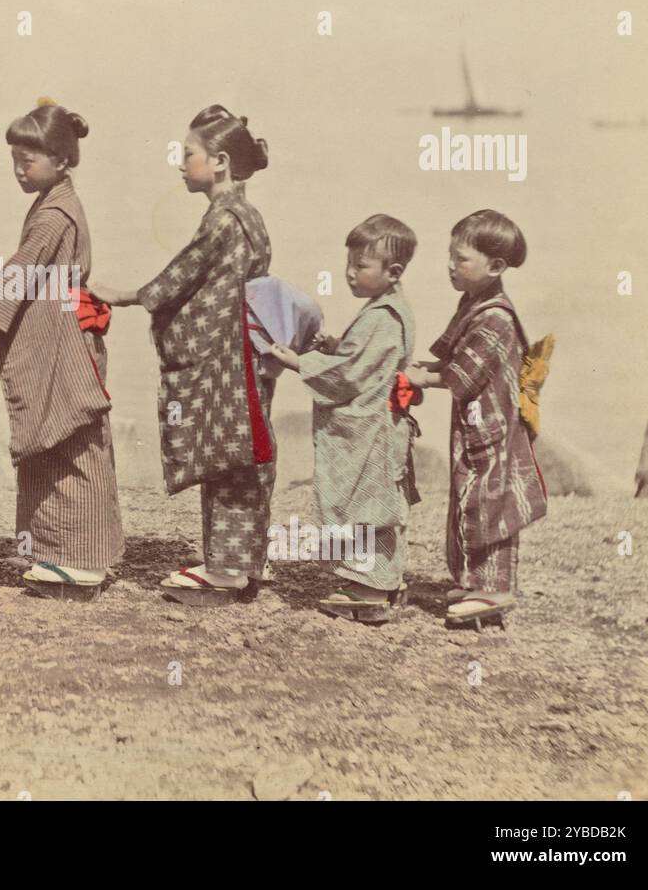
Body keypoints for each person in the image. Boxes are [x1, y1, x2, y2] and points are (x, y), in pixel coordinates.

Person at [91, 104, 274, 605]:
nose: (179, 162)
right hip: (244, 352)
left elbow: (183, 275)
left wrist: (127, 295)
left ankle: (226, 572)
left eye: (187, 154)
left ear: (218, 161)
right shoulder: (246, 215)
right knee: (241, 453)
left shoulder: (225, 217)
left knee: (228, 455)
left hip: (226, 355)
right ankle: (239, 565)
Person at [0, 99, 123, 600]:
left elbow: (22, 271)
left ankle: (79, 562)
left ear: (62, 160)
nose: (20, 169)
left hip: (63, 338)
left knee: (66, 435)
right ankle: (71, 554)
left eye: (29, 160)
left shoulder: (56, 214)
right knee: (66, 441)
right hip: (62, 330)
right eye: (15, 159)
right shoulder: (56, 202)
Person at [270, 214, 419, 622]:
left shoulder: (382, 316)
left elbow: (352, 373)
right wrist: (337, 345)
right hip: (377, 424)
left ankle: (369, 589)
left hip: (370, 430)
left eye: (361, 266)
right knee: (372, 503)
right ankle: (378, 583)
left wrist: (299, 362)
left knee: (367, 504)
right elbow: (363, 359)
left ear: (394, 272)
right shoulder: (388, 311)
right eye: (349, 263)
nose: (350, 273)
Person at [411, 209, 548, 628]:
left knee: (491, 502)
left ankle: (494, 590)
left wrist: (420, 377)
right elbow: (449, 354)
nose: (451, 266)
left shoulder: (496, 317)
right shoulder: (475, 301)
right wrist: (419, 367)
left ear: (496, 266)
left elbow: (459, 376)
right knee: (469, 498)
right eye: (450, 256)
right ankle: (475, 582)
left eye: (462, 259)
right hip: (475, 423)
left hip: (493, 427)